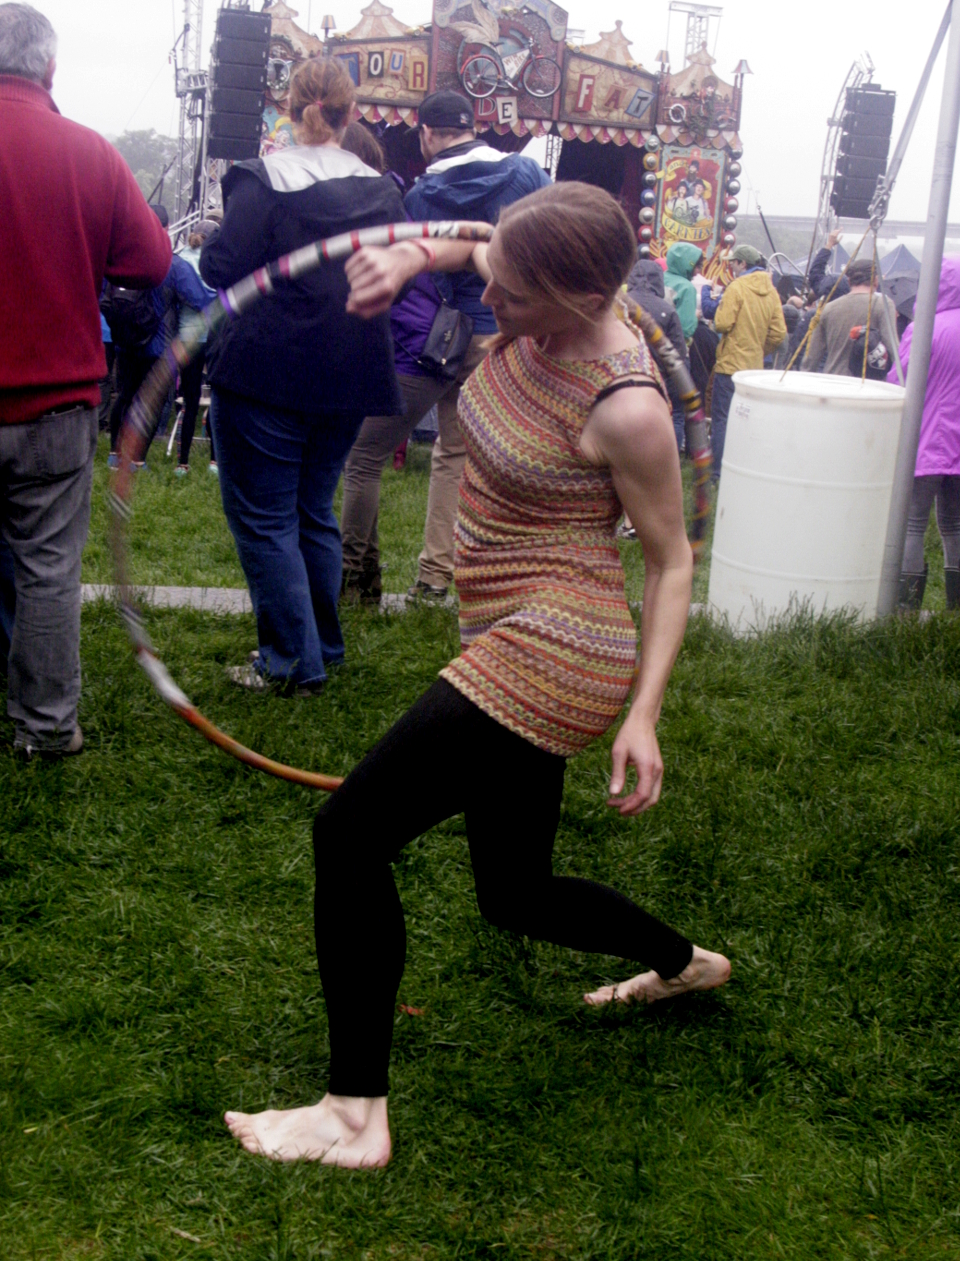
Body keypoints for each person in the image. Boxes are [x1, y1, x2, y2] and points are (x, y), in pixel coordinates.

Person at [223, 183, 730, 1170]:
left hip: (555, 646)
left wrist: (646, 714)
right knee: (515, 892)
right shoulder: (531, 276)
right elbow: (472, 246)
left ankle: (353, 1113)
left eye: (519, 299)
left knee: (350, 836)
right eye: (497, 282)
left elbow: (672, 562)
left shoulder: (626, 407)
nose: (496, 304)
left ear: (585, 299)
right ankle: (685, 965)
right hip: (503, 623)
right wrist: (416, 258)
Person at [199, 58, 406, 693]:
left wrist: (213, 239)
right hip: (349, 371)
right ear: (351, 112)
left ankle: (291, 662)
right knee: (312, 510)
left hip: (268, 368)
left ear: (290, 108)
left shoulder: (264, 179)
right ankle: (323, 646)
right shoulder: (382, 188)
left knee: (265, 518)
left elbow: (224, 267)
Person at [0, 2, 170, 756]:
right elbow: (150, 262)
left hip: (52, 397)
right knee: (47, 572)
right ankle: (43, 726)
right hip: (53, 403)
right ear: (50, 69)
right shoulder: (88, 151)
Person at [399, 90, 550, 600]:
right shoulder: (526, 175)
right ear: (472, 126)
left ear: (427, 134)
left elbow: (419, 262)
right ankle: (514, 577)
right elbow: (556, 236)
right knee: (522, 455)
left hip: (455, 332)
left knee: (452, 454)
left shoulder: (420, 195)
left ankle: (434, 576)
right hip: (516, 331)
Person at [338, 121, 464, 601]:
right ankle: (366, 580)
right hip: (418, 348)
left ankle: (351, 580)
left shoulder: (371, 207)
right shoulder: (393, 200)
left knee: (363, 459)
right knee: (363, 457)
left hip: (414, 353)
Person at [106, 205, 210, 465]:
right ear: (164, 228)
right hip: (158, 344)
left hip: (125, 341)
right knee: (151, 402)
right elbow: (199, 298)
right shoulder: (171, 262)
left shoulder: (121, 256)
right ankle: (137, 461)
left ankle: (113, 454)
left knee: (126, 394)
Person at [893, 255, 960, 609]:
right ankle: (955, 609)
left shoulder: (925, 327)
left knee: (914, 523)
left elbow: (898, 379)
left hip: (929, 439)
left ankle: (907, 607)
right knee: (955, 525)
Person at [711, 244, 786, 482]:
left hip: (729, 365)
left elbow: (722, 324)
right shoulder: (772, 291)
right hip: (753, 370)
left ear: (743, 264)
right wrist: (758, 350)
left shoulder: (737, 287)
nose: (730, 266)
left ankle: (716, 474)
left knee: (722, 419)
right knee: (746, 420)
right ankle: (742, 468)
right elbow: (778, 333)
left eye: (733, 262)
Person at [625, 257, 688, 451]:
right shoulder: (667, 310)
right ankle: (670, 463)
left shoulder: (618, 304)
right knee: (672, 418)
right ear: (659, 281)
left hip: (622, 373)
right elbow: (678, 351)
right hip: (659, 376)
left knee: (626, 420)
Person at [172, 221, 219, 476]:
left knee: (189, 402)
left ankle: (183, 463)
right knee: (216, 399)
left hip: (187, 338)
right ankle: (214, 462)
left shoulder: (179, 259)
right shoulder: (217, 260)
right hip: (215, 337)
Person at [802, 258, 899, 376]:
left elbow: (812, 356)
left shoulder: (828, 308)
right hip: (868, 385)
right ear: (875, 280)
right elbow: (893, 347)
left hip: (833, 380)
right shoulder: (883, 304)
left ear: (848, 281)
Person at [663, 243, 700, 344]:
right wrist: (695, 317)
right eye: (697, 266)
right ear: (687, 264)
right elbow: (685, 329)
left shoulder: (660, 277)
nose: (698, 271)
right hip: (673, 347)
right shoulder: (687, 288)